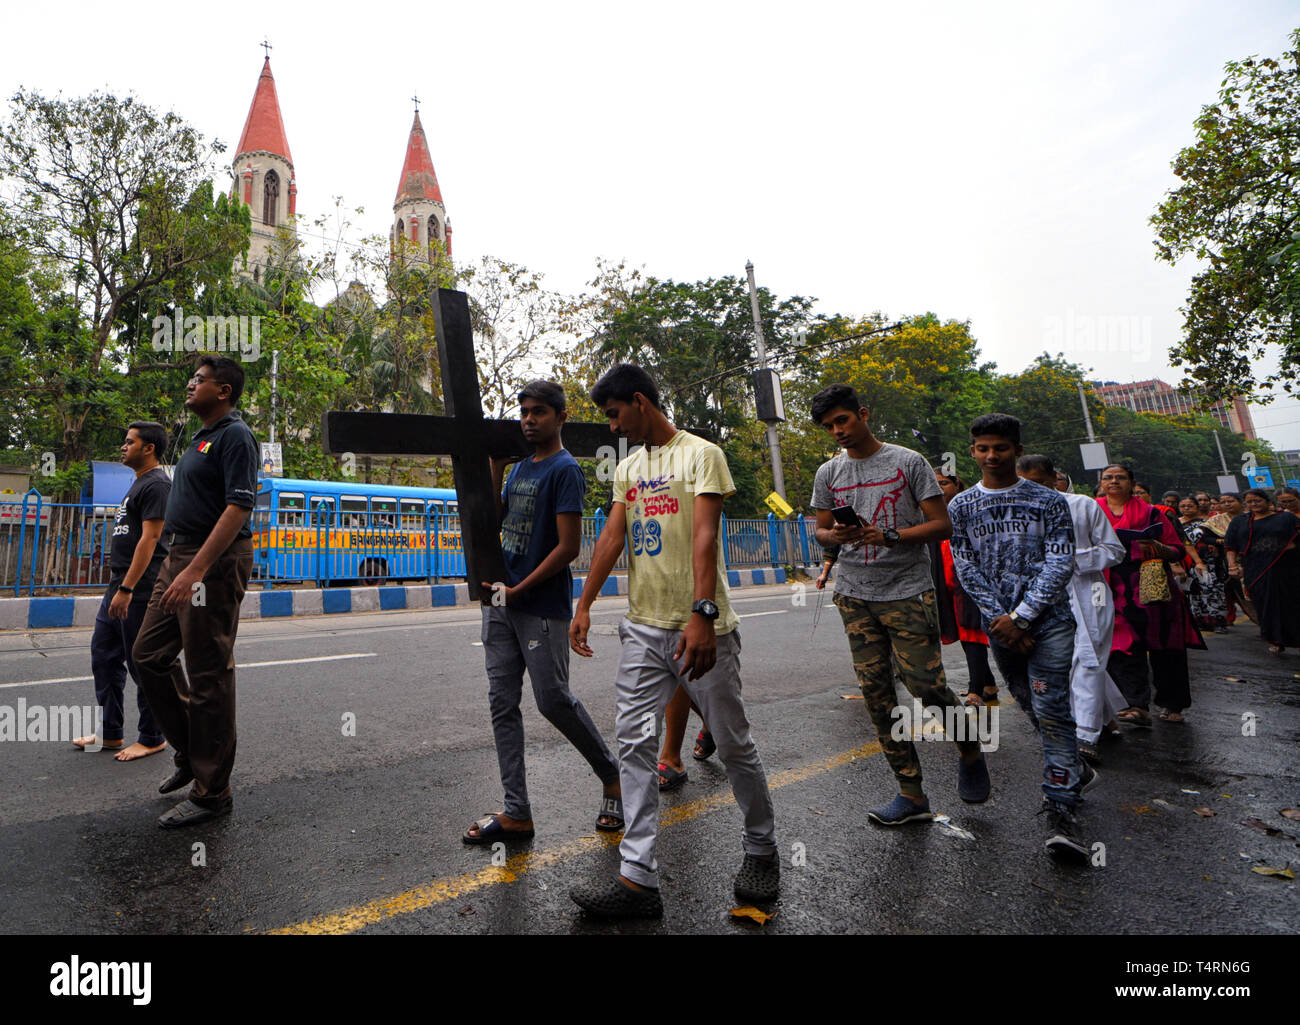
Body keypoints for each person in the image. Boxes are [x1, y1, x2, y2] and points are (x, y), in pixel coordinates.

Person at [568, 364, 778, 918]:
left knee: (732, 744)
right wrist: (585, 603)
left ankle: (762, 848)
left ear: (640, 401)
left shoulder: (702, 454)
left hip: (700, 626)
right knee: (635, 744)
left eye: (615, 414)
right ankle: (638, 879)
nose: (614, 426)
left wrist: (703, 614)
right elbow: (613, 534)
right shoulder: (629, 467)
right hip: (642, 628)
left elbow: (707, 536)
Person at [808, 384, 990, 827]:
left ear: (863, 414)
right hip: (854, 593)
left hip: (907, 591)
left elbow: (941, 524)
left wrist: (890, 536)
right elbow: (821, 530)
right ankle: (910, 793)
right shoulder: (828, 473)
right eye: (829, 426)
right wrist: (838, 537)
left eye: (843, 421)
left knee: (926, 685)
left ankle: (968, 744)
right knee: (877, 695)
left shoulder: (908, 461)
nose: (838, 431)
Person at [463, 381, 623, 846]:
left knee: (552, 699)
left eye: (538, 412)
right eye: (524, 413)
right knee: (501, 704)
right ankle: (517, 811)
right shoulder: (518, 470)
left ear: (560, 417)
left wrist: (520, 590)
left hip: (540, 605)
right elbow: (495, 524)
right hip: (500, 602)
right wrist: (496, 468)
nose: (529, 420)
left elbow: (568, 547)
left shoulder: (565, 470)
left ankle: (612, 776)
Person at [948, 418, 1090, 860]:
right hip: (999, 627)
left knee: (1051, 707)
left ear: (1016, 449)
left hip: (1049, 623)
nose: (992, 456)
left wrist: (1023, 618)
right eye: (983, 448)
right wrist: (1000, 620)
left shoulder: (1049, 500)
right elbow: (966, 566)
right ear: (972, 451)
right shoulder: (962, 506)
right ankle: (1073, 768)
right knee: (1029, 703)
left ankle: (1061, 810)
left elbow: (1060, 561)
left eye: (1001, 448)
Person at [132, 356, 258, 828]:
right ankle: (191, 750)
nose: (190, 384)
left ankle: (213, 792)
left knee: (208, 673)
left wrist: (197, 571)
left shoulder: (235, 437)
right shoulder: (198, 439)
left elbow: (238, 507)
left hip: (212, 563)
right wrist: (177, 565)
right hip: (179, 557)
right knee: (147, 655)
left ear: (223, 391)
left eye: (200, 380)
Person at [1017, 455, 1126, 766]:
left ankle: (1086, 734)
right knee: (1057, 661)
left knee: (1087, 658)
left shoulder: (1082, 505)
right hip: (1039, 597)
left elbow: (1113, 550)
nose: (1031, 489)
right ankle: (1101, 717)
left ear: (1055, 478)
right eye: (1024, 483)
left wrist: (1068, 561)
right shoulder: (1016, 513)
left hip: (1086, 592)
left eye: (1038, 482)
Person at [72, 422, 171, 761]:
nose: (122, 447)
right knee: (104, 656)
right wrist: (118, 586)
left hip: (140, 589)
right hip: (118, 585)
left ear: (149, 448)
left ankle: (152, 736)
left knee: (140, 662)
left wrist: (127, 588)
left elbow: (151, 538)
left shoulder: (158, 484)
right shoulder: (138, 484)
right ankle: (111, 733)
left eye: (130, 442)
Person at [1098, 464, 1205, 726]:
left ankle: (1172, 703)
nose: (1114, 481)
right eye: (1108, 478)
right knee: (1122, 645)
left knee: (1166, 645)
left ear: (1132, 483)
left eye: (1120, 477)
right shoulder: (1091, 510)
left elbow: (1176, 550)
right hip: (1110, 585)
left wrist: (1157, 547)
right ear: (1101, 484)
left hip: (1151, 582)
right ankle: (1135, 704)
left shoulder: (1152, 513)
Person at [933, 471, 999, 707]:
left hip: (970, 582)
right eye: (935, 484)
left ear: (956, 484)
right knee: (965, 635)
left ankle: (976, 691)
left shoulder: (970, 509)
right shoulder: (930, 514)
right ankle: (989, 684)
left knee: (973, 635)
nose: (939, 488)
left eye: (944, 483)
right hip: (945, 581)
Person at [1225, 489, 1300, 656]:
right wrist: (1232, 566)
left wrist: (1291, 547)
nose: (1254, 505)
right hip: (1255, 569)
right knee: (1265, 604)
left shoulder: (1285, 518)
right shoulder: (1240, 521)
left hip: (1286, 568)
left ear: (1268, 501)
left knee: (1290, 603)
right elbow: (1231, 546)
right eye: (1250, 502)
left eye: (1257, 501)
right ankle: (1275, 640)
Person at [1178, 496, 1229, 632]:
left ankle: (1218, 621)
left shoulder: (1208, 523)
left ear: (1197, 507)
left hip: (1209, 561)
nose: (1186, 508)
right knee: (1192, 591)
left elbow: (1217, 539)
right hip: (1187, 562)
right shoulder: (1176, 524)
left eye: (1190, 505)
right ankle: (1198, 621)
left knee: (1212, 589)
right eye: (1183, 506)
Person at [1215, 493, 1258, 625]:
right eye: (1223, 502)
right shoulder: (1216, 521)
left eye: (1231, 501)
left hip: (1259, 559)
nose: (1227, 504)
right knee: (1241, 594)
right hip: (1232, 563)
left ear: (1241, 503)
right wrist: (1219, 541)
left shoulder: (1253, 517)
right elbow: (1228, 544)